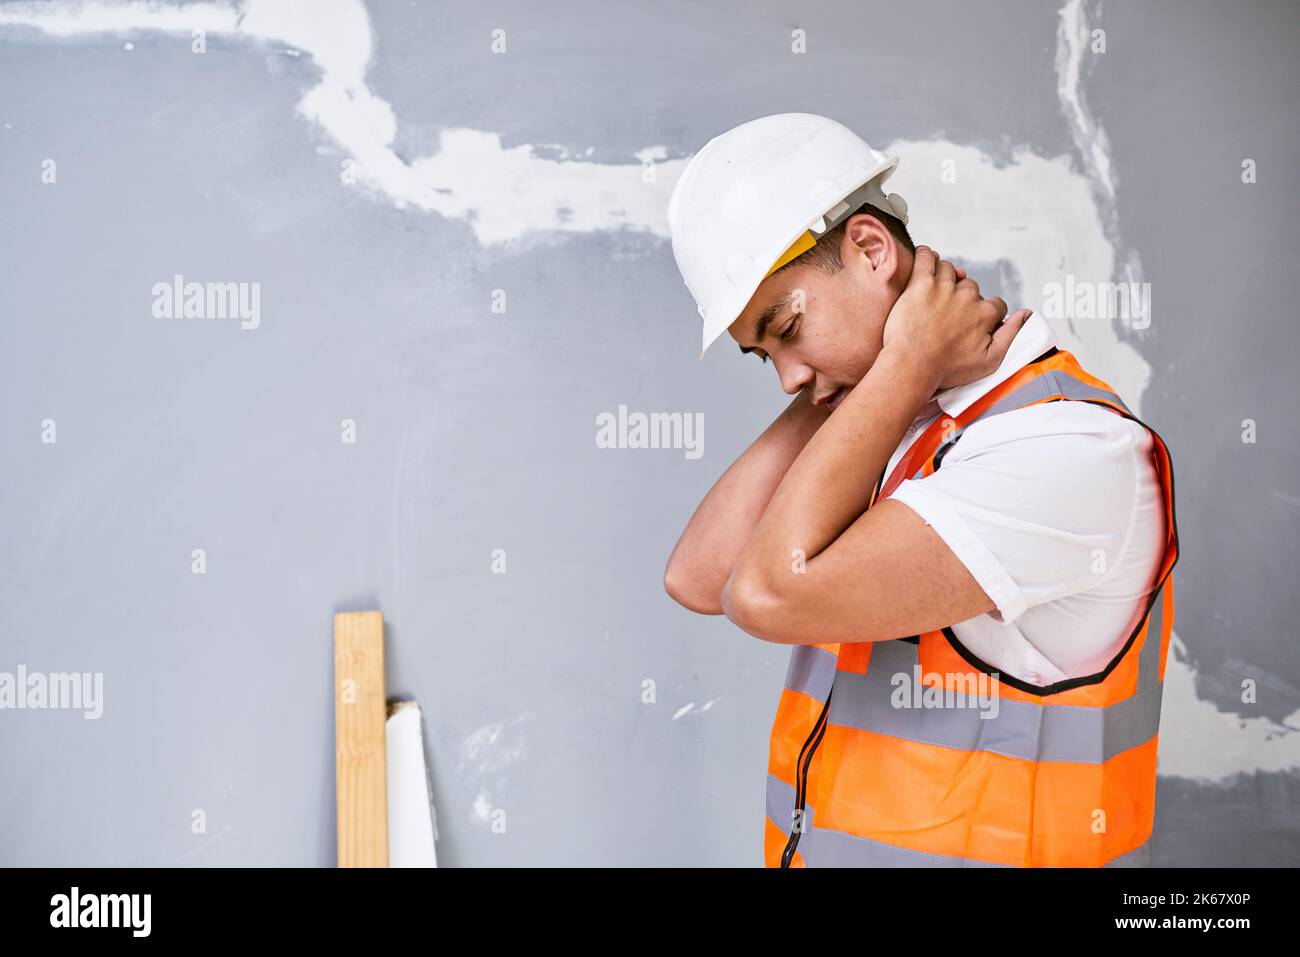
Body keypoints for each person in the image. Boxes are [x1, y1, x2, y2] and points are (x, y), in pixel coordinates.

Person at [663, 113, 1179, 867]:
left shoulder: (1066, 447)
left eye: (787, 328)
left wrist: (902, 364)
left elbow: (766, 595)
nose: (789, 378)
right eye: (761, 355)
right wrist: (892, 372)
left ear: (871, 249)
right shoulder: (901, 422)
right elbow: (699, 575)